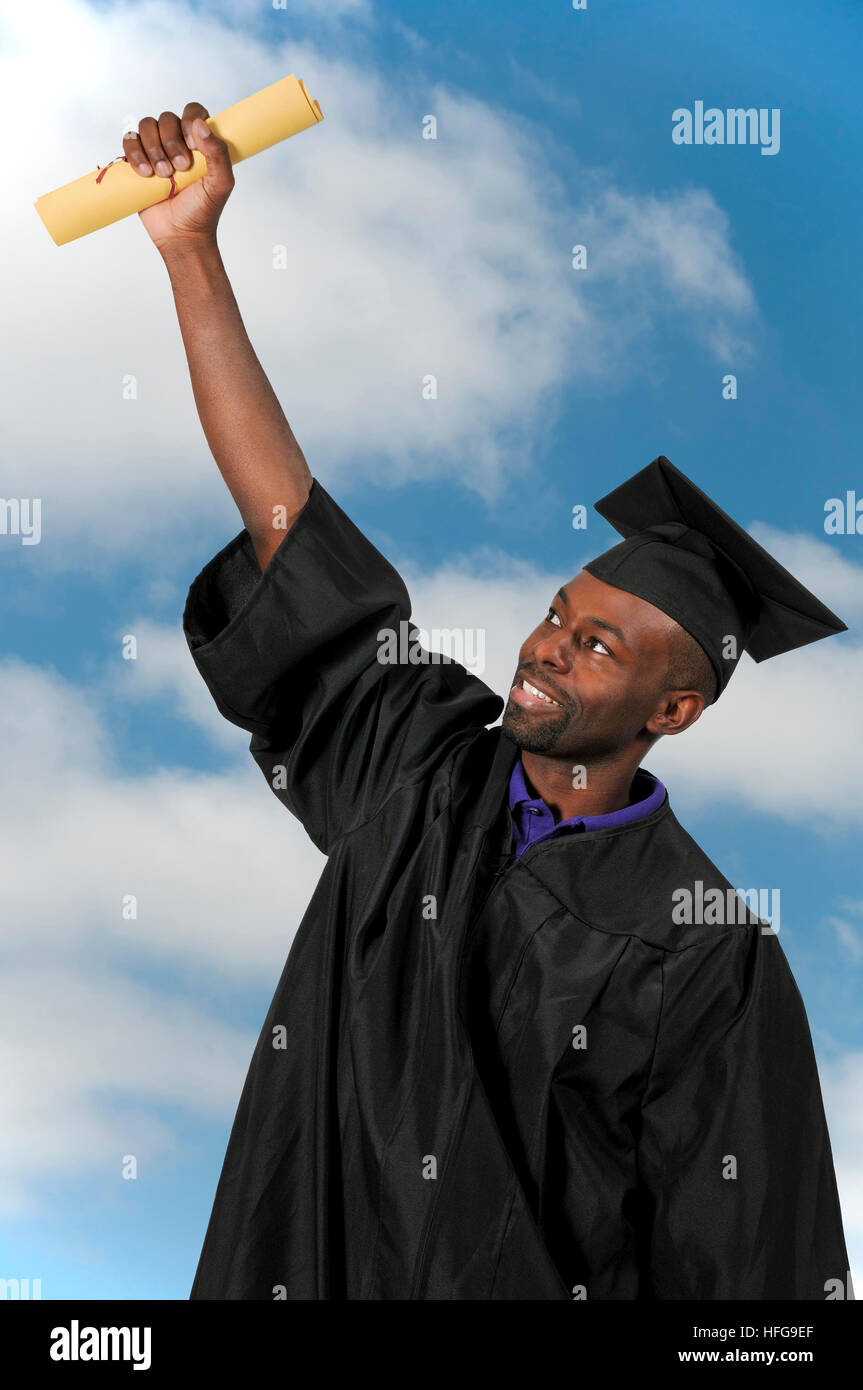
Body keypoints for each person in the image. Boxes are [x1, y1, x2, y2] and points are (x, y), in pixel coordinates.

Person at [127, 104, 851, 1300]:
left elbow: (745, 1277)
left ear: (669, 712)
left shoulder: (706, 952)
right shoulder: (417, 763)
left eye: (597, 645)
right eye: (557, 615)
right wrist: (192, 253)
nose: (547, 650)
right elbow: (287, 528)